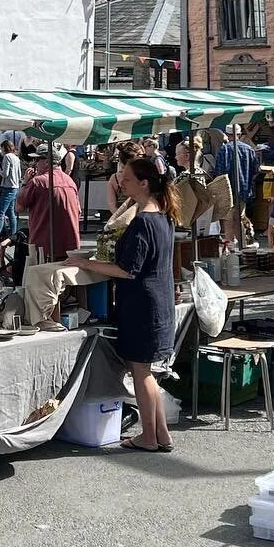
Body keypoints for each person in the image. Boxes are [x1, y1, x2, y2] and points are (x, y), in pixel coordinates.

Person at [72, 155, 178, 450]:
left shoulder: (143, 221)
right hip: (158, 303)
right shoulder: (164, 216)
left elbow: (126, 269)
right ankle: (160, 434)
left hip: (143, 306)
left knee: (141, 372)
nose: (122, 183)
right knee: (147, 372)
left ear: (144, 184)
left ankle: (148, 436)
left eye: (128, 179)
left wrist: (87, 263)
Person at [17, 150, 80, 264]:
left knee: (42, 279)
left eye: (37, 160)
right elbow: (78, 211)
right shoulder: (70, 181)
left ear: (46, 161)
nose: (34, 163)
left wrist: (25, 182)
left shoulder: (38, 182)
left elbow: (19, 207)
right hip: (70, 246)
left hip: (44, 245)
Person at [213, 125, 259, 242]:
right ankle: (242, 246)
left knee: (228, 221)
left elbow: (219, 172)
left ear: (227, 135)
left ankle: (230, 246)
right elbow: (256, 170)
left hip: (227, 190)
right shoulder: (249, 149)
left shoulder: (224, 149)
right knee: (239, 218)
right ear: (239, 134)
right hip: (244, 190)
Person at [0, 139, 21, 243]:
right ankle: (14, 235)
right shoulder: (16, 158)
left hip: (8, 186)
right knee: (11, 212)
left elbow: (5, 173)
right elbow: (19, 174)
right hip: (15, 186)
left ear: (4, 148)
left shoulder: (6, 157)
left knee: (1, 212)